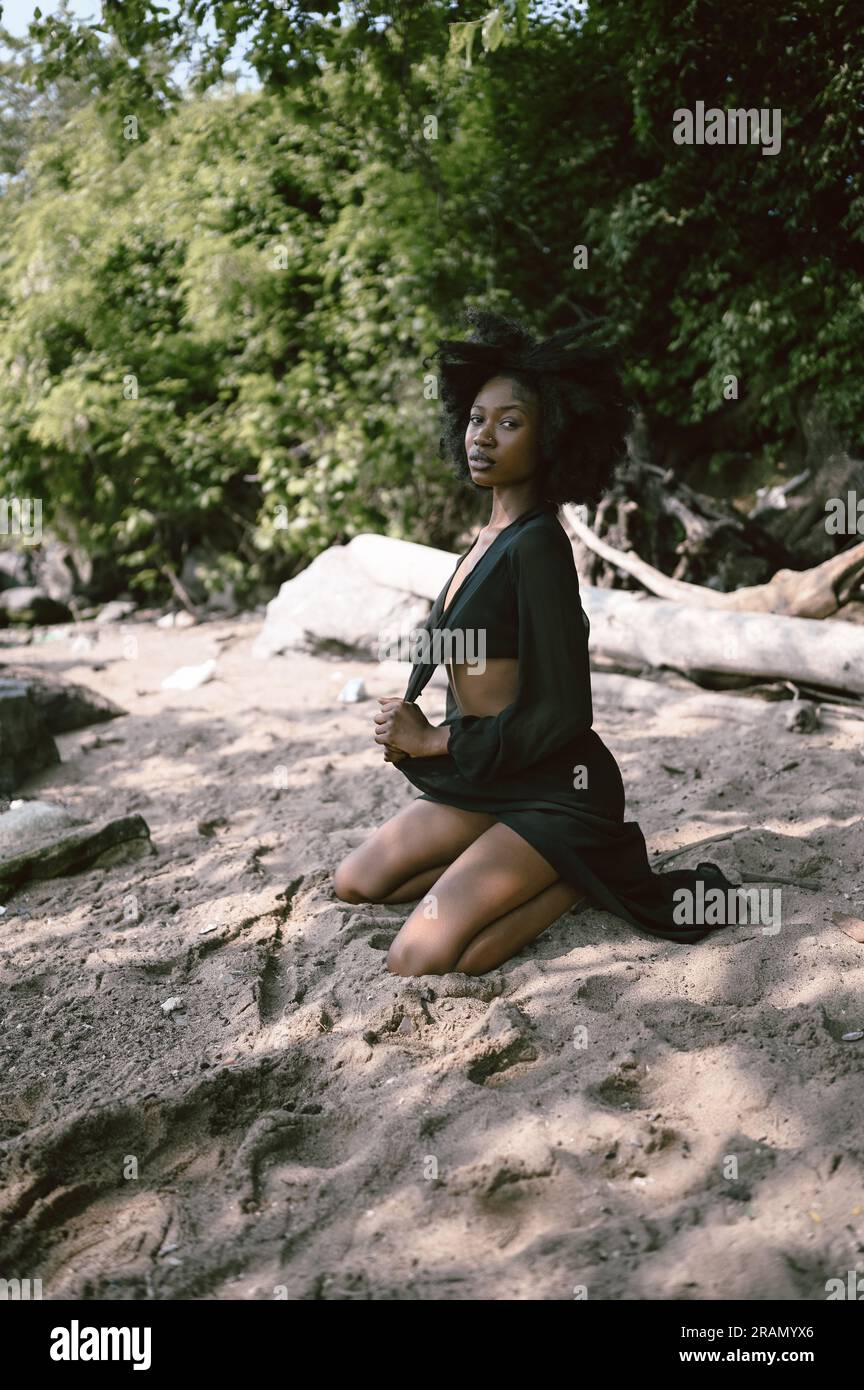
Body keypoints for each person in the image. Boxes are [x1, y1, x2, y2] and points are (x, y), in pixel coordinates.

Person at [333, 308, 739, 976]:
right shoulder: (484, 538)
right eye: (475, 418)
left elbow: (565, 711)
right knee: (355, 883)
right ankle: (514, 858)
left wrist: (436, 740)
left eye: (510, 422)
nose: (483, 436)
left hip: (558, 789)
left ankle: (577, 874)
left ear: (550, 439)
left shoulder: (541, 546)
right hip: (491, 779)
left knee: (420, 955)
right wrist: (411, 719)